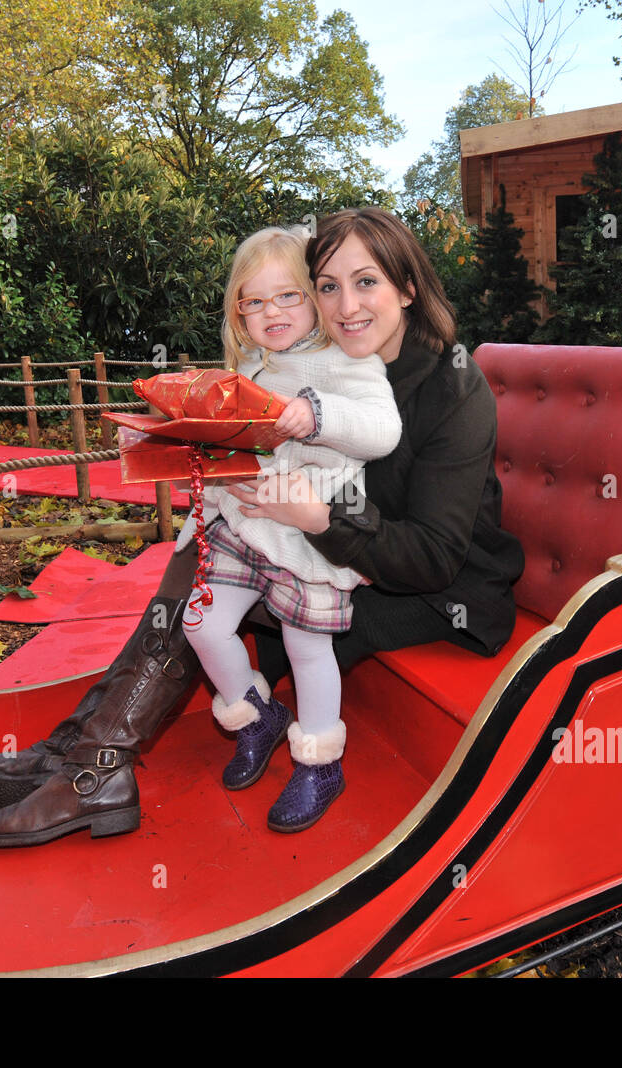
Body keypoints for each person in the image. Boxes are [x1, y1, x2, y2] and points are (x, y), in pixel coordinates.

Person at [0, 207, 526, 848]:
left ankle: (87, 766)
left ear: (408, 288)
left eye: (367, 282)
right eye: (327, 286)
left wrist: (318, 516)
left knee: (209, 573)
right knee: (203, 558)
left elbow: (431, 557)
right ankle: (78, 757)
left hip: (430, 594)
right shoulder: (308, 363)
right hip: (326, 552)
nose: (346, 305)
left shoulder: (451, 387)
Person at [182, 226, 401, 832]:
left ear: (313, 296)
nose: (269, 312)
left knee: (307, 646)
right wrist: (166, 435)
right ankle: (257, 717)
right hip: (247, 522)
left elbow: (383, 431)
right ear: (238, 314)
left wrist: (317, 415)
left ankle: (320, 761)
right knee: (200, 621)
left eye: (286, 296)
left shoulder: (345, 361)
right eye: (252, 302)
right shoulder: (251, 365)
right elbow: (223, 434)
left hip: (309, 533)